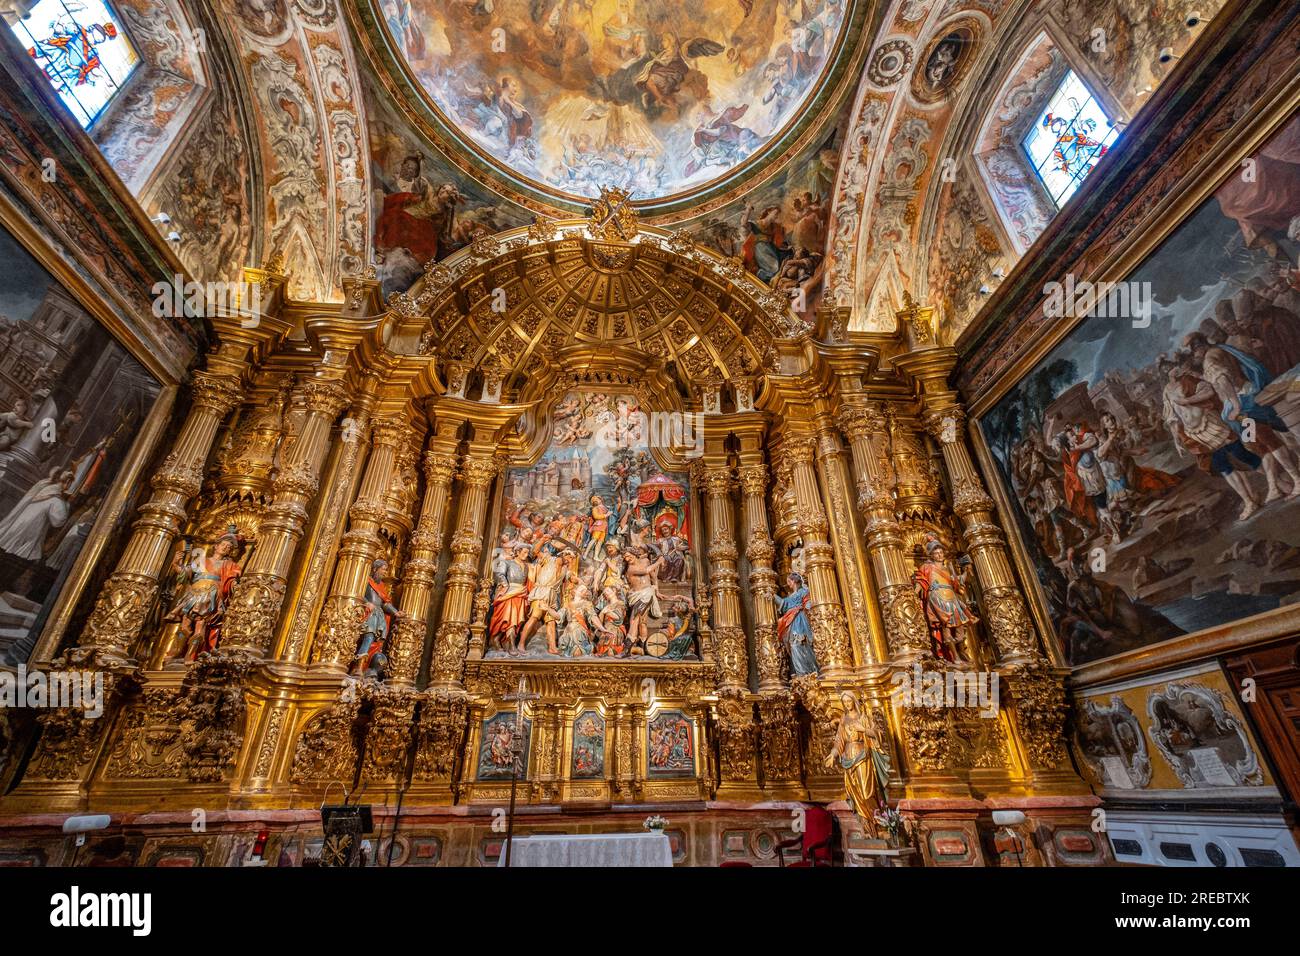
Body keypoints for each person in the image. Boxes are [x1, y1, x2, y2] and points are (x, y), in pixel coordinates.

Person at [165, 526, 244, 660]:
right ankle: (174, 654)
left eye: (229, 547)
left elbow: (231, 582)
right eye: (224, 545)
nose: (226, 548)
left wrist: (235, 585)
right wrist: (175, 563)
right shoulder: (201, 561)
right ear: (216, 546)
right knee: (185, 624)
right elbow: (185, 574)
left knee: (200, 625)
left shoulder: (230, 565)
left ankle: (190, 657)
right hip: (194, 594)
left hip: (211, 595)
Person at [824, 691, 892, 830]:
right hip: (848, 758)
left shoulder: (863, 717)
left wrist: (864, 729)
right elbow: (839, 741)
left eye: (849, 701)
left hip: (862, 756)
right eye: (845, 702)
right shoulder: (843, 719)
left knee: (867, 792)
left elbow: (878, 734)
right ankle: (867, 827)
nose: (847, 704)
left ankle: (879, 822)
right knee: (855, 793)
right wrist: (833, 754)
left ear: (854, 701)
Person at [912, 535, 979, 663]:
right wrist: (914, 595)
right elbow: (921, 581)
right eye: (936, 553)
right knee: (946, 625)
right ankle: (955, 656)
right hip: (937, 598)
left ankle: (962, 651)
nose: (939, 555)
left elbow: (956, 583)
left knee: (960, 627)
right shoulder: (926, 567)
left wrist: (966, 571)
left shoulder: (948, 568)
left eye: (941, 552)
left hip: (951, 598)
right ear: (931, 555)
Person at [351, 558, 406, 678]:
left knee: (377, 642)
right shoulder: (367, 581)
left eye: (386, 571)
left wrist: (396, 613)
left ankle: (366, 667)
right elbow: (357, 592)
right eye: (383, 570)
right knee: (368, 637)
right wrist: (366, 602)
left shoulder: (381, 586)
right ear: (375, 569)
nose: (385, 573)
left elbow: (384, 603)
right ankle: (358, 667)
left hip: (379, 615)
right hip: (369, 613)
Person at [776, 571, 818, 676]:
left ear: (794, 581)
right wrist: (773, 595)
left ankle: (810, 671)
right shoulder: (791, 596)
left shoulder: (803, 591)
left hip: (800, 620)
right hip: (791, 622)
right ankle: (801, 673)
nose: (788, 584)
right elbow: (784, 604)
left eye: (789, 581)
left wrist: (807, 607)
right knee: (793, 645)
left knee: (802, 643)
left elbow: (808, 603)